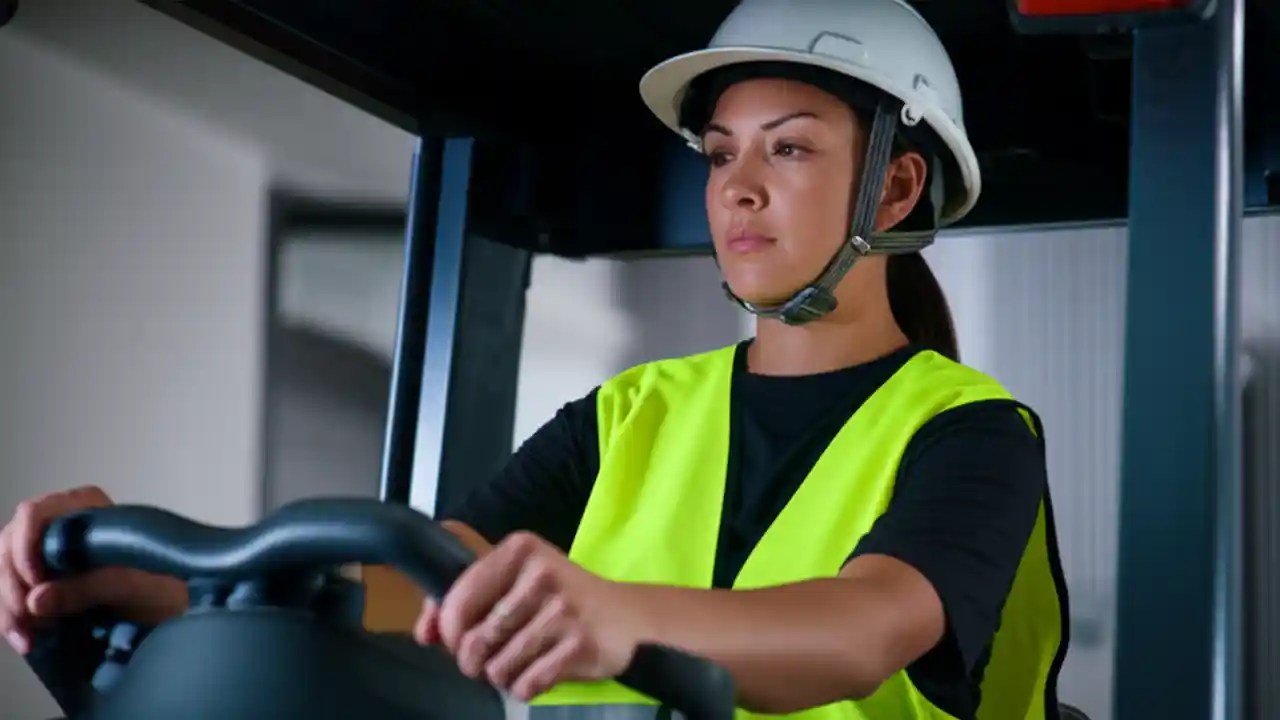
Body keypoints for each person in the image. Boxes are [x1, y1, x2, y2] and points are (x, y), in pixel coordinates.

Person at [0, 0, 1070, 718]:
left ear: (892, 192)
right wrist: (175, 586)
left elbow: (858, 629)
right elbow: (417, 581)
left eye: (787, 147)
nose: (737, 188)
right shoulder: (625, 415)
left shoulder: (969, 434)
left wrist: (616, 613)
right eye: (718, 155)